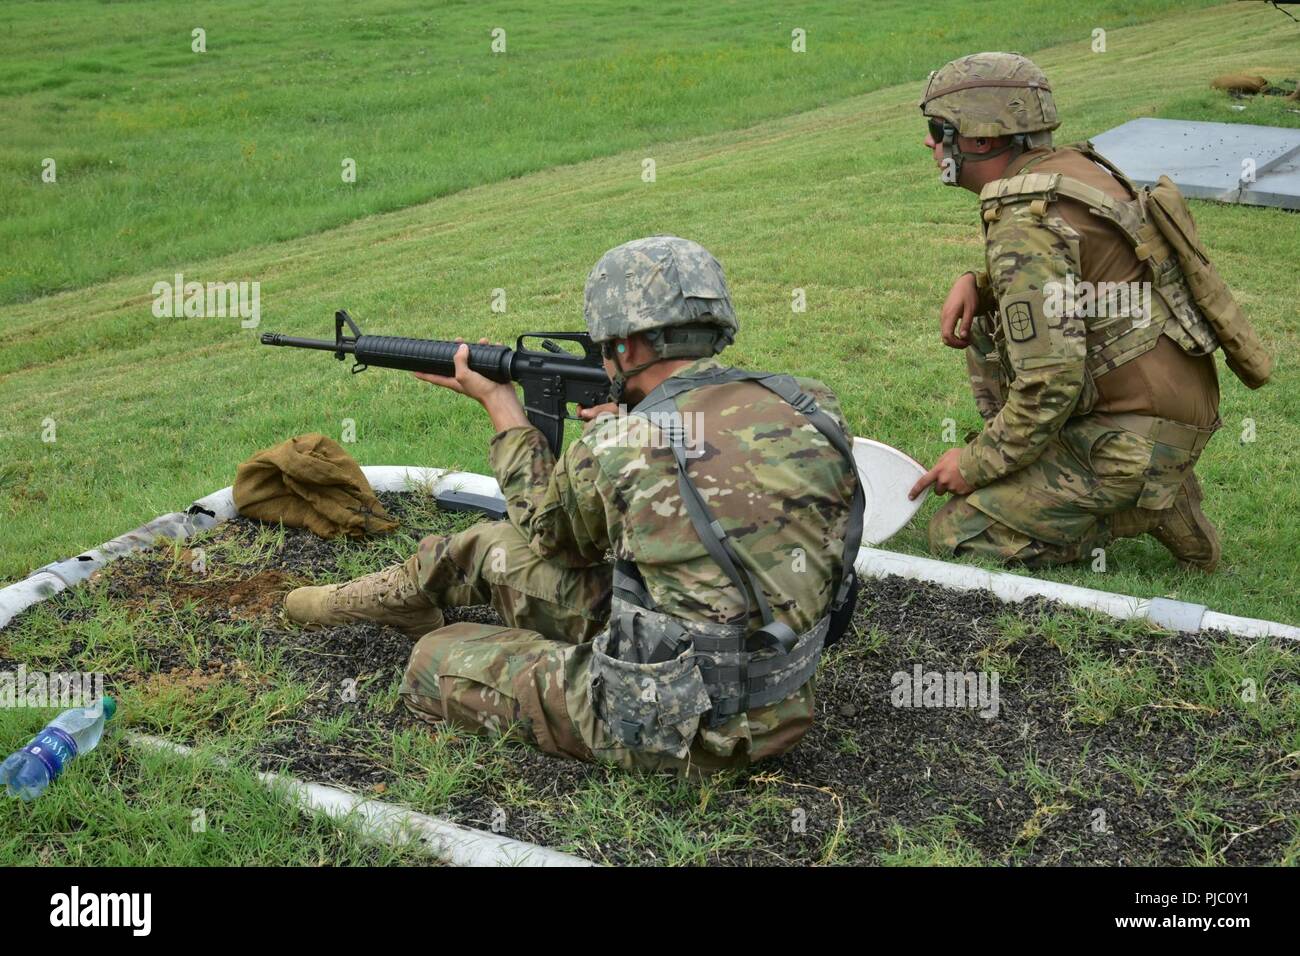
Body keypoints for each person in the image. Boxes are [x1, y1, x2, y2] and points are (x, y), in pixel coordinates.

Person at [284, 236, 861, 775]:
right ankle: (380, 601)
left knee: (434, 658)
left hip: (684, 729)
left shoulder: (626, 445)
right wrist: (628, 433)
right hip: (779, 685)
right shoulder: (808, 404)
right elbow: (716, 491)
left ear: (627, 343)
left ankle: (429, 631)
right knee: (486, 546)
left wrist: (503, 411)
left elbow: (547, 532)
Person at [910, 52, 1225, 571]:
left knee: (957, 533)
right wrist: (977, 284)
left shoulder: (1024, 219)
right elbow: (1081, 290)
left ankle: (1146, 505)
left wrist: (975, 463)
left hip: (1135, 434)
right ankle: (1106, 476)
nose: (929, 142)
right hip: (1168, 406)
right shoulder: (1074, 171)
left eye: (937, 128)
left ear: (980, 140)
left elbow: (1052, 379)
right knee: (990, 316)